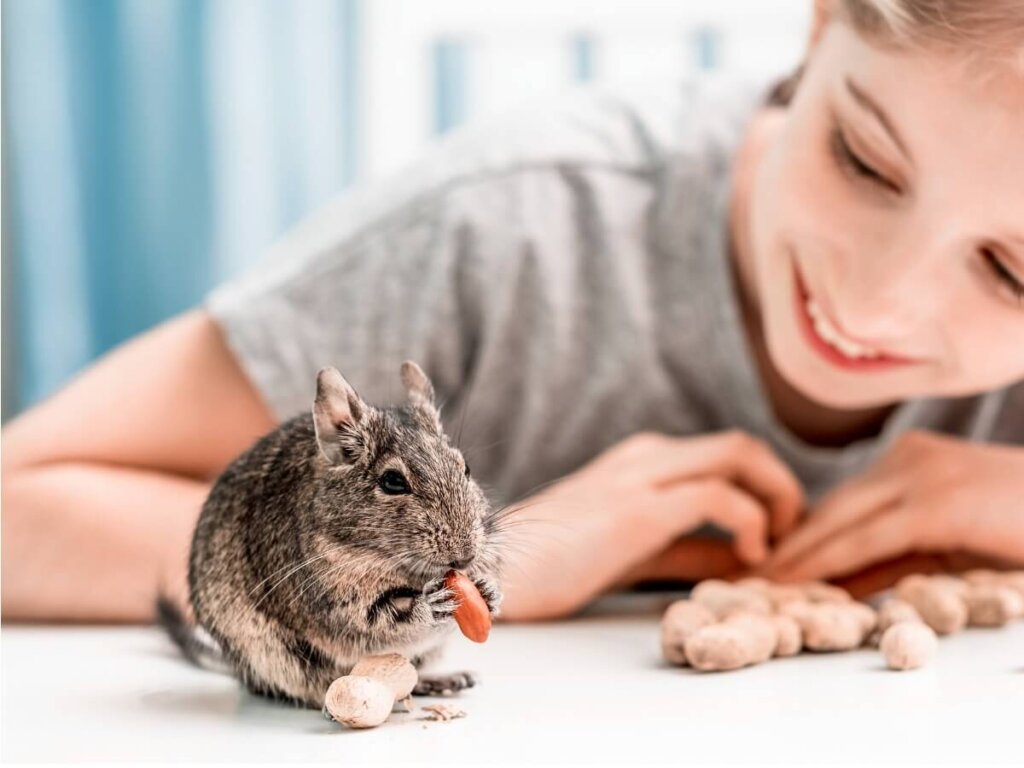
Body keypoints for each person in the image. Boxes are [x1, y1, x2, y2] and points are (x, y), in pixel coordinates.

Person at [3, 0, 1022, 624]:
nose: (876, 299)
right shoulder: (506, 232)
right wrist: (475, 565)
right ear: (816, 22)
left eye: (1011, 273)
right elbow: (18, 509)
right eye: (862, 159)